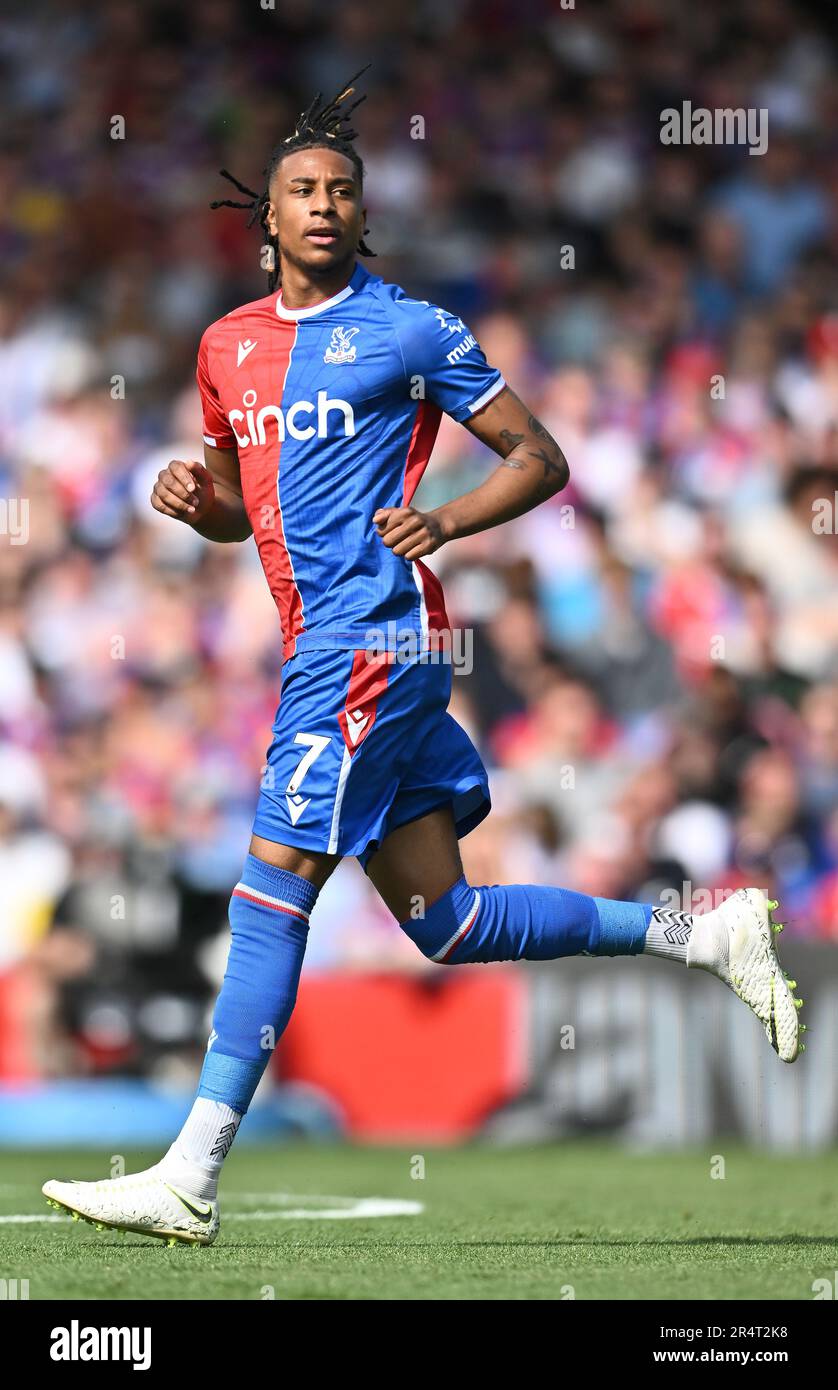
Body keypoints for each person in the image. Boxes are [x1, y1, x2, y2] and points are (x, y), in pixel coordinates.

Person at [43, 73, 803, 1247]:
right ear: (267, 224)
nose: (324, 205)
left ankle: (190, 1170)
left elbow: (537, 457)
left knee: (273, 879)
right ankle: (700, 933)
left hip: (373, 638)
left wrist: (444, 520)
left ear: (361, 213)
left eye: (343, 190)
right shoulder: (224, 351)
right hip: (328, 644)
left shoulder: (410, 328)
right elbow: (246, 510)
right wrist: (198, 505)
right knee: (443, 918)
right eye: (302, 189)